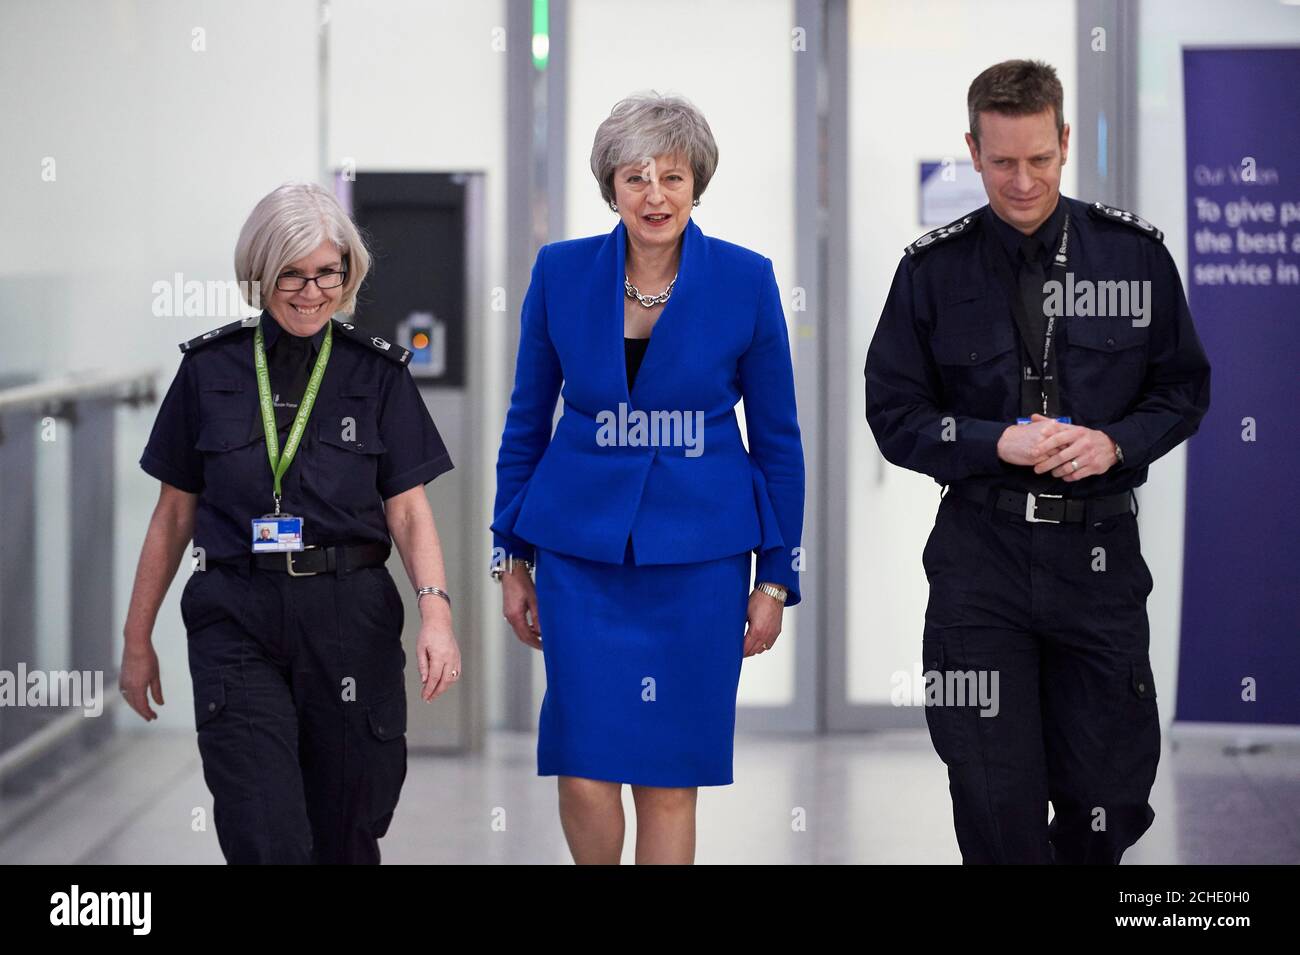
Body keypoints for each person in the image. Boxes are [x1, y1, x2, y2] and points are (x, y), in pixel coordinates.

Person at [864, 60, 1210, 864]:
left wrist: (1115, 442)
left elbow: (1182, 390)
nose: (1023, 182)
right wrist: (992, 441)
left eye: (1040, 160)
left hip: (1099, 564)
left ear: (1064, 142)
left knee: (1111, 793)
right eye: (1001, 162)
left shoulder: (1135, 257)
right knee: (993, 797)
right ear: (972, 151)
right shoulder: (930, 271)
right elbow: (895, 413)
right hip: (978, 564)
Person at [492, 92, 805, 864]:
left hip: (700, 561)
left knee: (670, 776)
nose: (655, 195)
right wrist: (511, 555)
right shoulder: (561, 272)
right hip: (578, 554)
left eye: (672, 175)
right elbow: (527, 419)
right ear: (612, 187)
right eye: (635, 177)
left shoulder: (745, 279)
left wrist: (775, 579)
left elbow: (778, 441)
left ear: (697, 182)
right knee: (584, 768)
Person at [119, 182, 461, 864]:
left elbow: (409, 509)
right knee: (263, 830)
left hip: (349, 617)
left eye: (327, 273)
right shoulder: (208, 370)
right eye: (291, 275)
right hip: (235, 615)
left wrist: (437, 612)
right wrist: (136, 639)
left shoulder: (378, 374)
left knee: (347, 831)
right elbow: (173, 515)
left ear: (348, 273)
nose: (311, 291)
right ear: (259, 273)